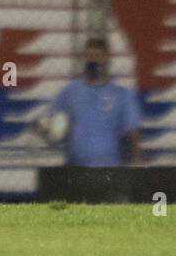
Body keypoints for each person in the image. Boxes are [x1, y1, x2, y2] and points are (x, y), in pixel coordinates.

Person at [37, 36, 144, 166]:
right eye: (89, 56)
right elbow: (51, 118)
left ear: (107, 58)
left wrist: (137, 160)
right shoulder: (71, 90)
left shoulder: (122, 95)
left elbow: (133, 130)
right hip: (77, 167)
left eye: (98, 56)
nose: (93, 60)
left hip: (110, 167)